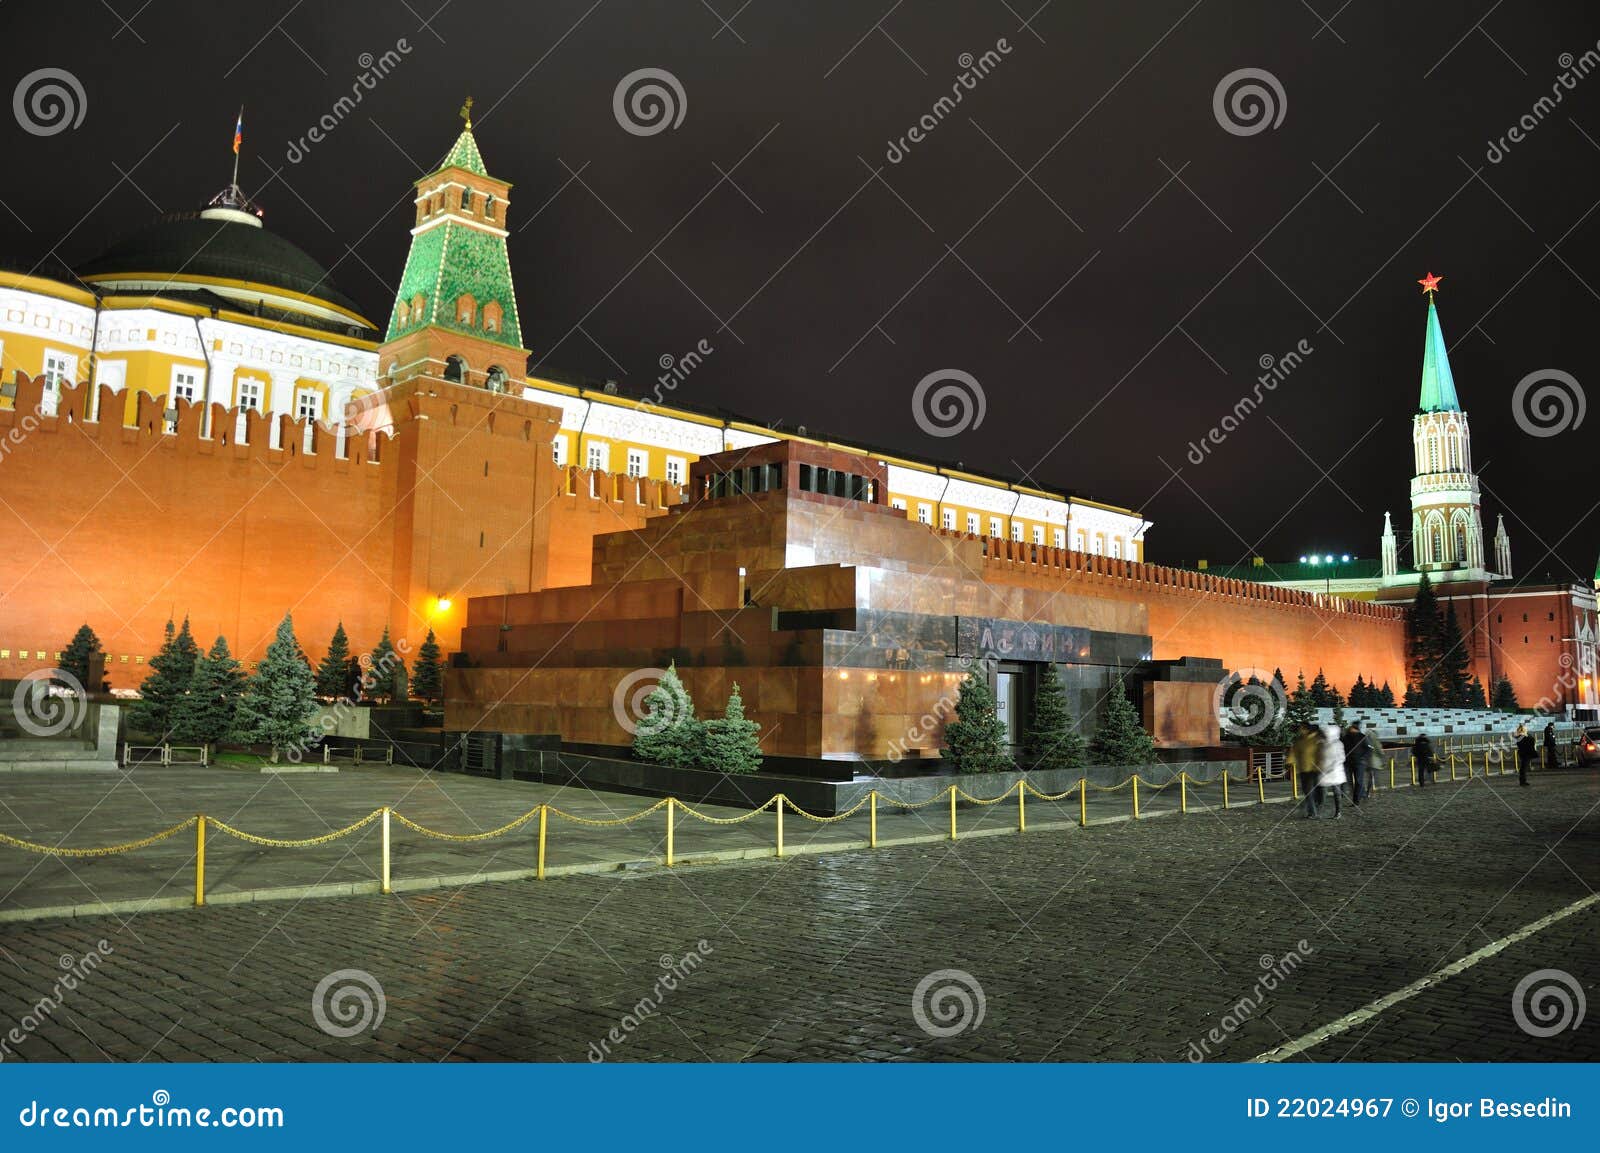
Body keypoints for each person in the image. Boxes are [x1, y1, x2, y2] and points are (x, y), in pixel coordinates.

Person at [1315, 722, 1347, 818]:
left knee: (1337, 794)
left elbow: (1341, 757)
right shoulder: (1322, 744)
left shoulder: (1338, 744)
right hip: (1324, 772)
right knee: (1322, 793)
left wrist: (1332, 767)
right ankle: (1319, 811)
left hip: (1335, 772)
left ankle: (1338, 812)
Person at [1290, 723, 1321, 818]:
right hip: (1304, 769)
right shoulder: (1300, 740)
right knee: (1309, 792)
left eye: (1301, 728)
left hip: (1314, 769)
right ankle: (1313, 810)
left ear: (1306, 729)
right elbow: (1294, 752)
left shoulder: (1316, 740)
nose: (1300, 730)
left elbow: (1322, 753)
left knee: (1310, 792)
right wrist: (1289, 762)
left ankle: (1313, 812)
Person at [1342, 722, 1371, 804]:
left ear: (1355, 728)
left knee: (1359, 781)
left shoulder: (1362, 737)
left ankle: (1356, 799)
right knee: (1349, 781)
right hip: (1348, 762)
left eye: (1351, 728)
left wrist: (1363, 758)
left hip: (1359, 763)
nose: (1350, 729)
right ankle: (1356, 795)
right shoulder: (1346, 737)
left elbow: (1368, 749)